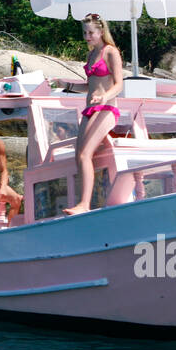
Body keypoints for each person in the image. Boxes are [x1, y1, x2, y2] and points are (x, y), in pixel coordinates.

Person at [63, 13, 124, 214]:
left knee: (84, 154)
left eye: (90, 33)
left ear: (101, 32)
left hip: (106, 108)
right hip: (90, 108)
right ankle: (85, 201)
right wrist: (67, 85)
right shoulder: (91, 55)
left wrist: (105, 97)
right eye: (85, 33)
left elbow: (119, 85)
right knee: (78, 154)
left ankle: (84, 204)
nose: (87, 36)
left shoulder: (110, 52)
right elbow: (90, 86)